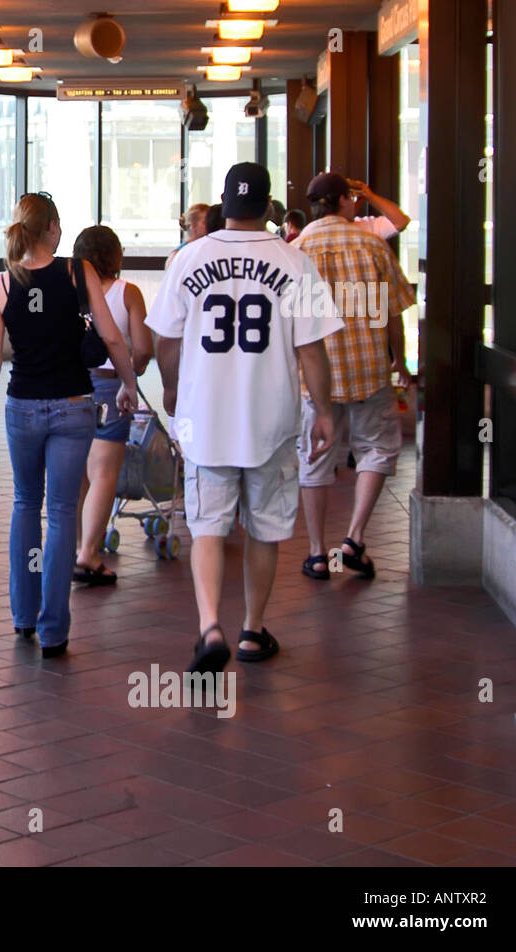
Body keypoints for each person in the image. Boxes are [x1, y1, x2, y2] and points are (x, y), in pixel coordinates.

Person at [147, 162, 342, 673]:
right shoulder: (296, 263)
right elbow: (314, 350)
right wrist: (323, 411)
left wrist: (171, 386)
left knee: (207, 528)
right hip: (271, 421)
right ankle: (253, 630)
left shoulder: (188, 259)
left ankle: (210, 626)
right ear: (267, 206)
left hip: (205, 419)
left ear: (225, 205)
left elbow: (165, 339)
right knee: (264, 529)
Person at [0, 193, 139, 657]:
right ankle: (53, 631)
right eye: (59, 224)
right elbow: (111, 336)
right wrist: (129, 386)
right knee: (63, 512)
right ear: (51, 229)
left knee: (26, 503)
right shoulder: (77, 272)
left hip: (21, 408)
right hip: (72, 406)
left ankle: (23, 616)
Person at [295, 171, 416, 582]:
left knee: (313, 460)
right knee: (377, 451)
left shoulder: (297, 249)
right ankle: (353, 539)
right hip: (369, 371)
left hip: (315, 379)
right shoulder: (372, 244)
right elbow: (394, 312)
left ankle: (315, 553)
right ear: (345, 200)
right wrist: (399, 359)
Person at [72, 225, 154, 585]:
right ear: (115, 255)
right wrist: (130, 377)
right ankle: (89, 554)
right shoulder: (128, 293)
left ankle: (74, 547)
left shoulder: (70, 294)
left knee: (77, 476)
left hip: (71, 388)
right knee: (104, 473)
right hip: (110, 389)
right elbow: (144, 346)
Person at [298, 174, 410, 242]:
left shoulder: (305, 237)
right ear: (342, 200)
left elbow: (400, 221)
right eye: (351, 197)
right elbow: (401, 221)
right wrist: (370, 196)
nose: (353, 202)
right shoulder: (367, 236)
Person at [165, 203, 210, 268]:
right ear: (193, 226)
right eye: (205, 222)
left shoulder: (207, 247)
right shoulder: (177, 255)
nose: (210, 225)